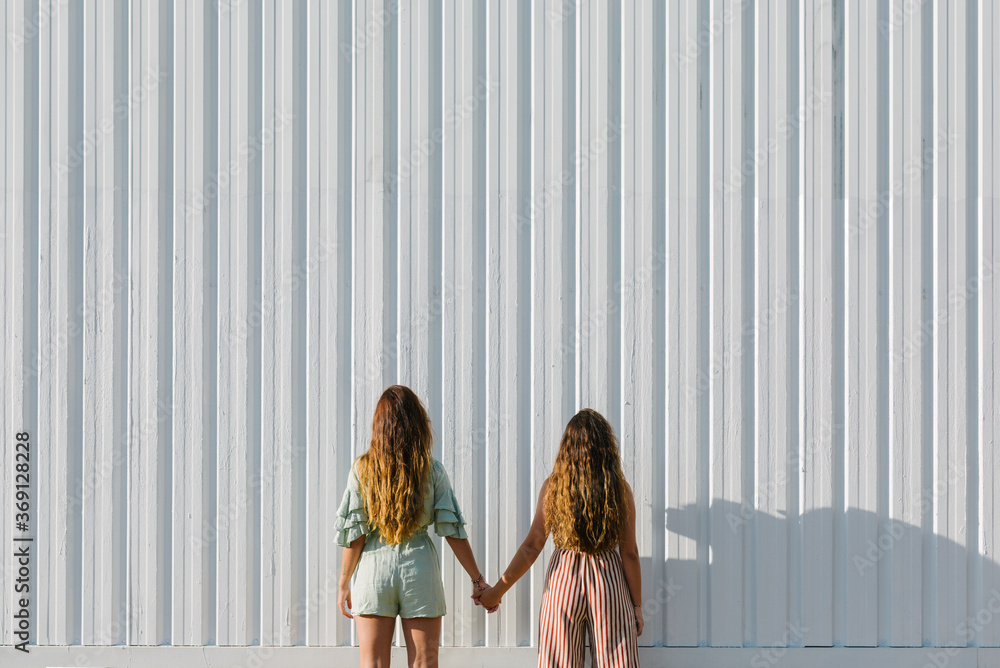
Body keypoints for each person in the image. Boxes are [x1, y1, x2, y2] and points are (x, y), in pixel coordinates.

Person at [336, 384, 495, 668]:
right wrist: (477, 579)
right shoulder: (432, 469)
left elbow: (356, 535)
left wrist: (343, 583)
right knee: (424, 662)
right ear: (417, 423)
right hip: (419, 566)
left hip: (374, 569)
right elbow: (452, 530)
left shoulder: (362, 469)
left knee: (372, 663)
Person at [473, 408, 642, 667]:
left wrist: (497, 591)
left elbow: (532, 547)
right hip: (607, 579)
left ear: (567, 448)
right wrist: (637, 607)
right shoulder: (619, 488)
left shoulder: (554, 487)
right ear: (606, 448)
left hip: (563, 579)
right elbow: (629, 553)